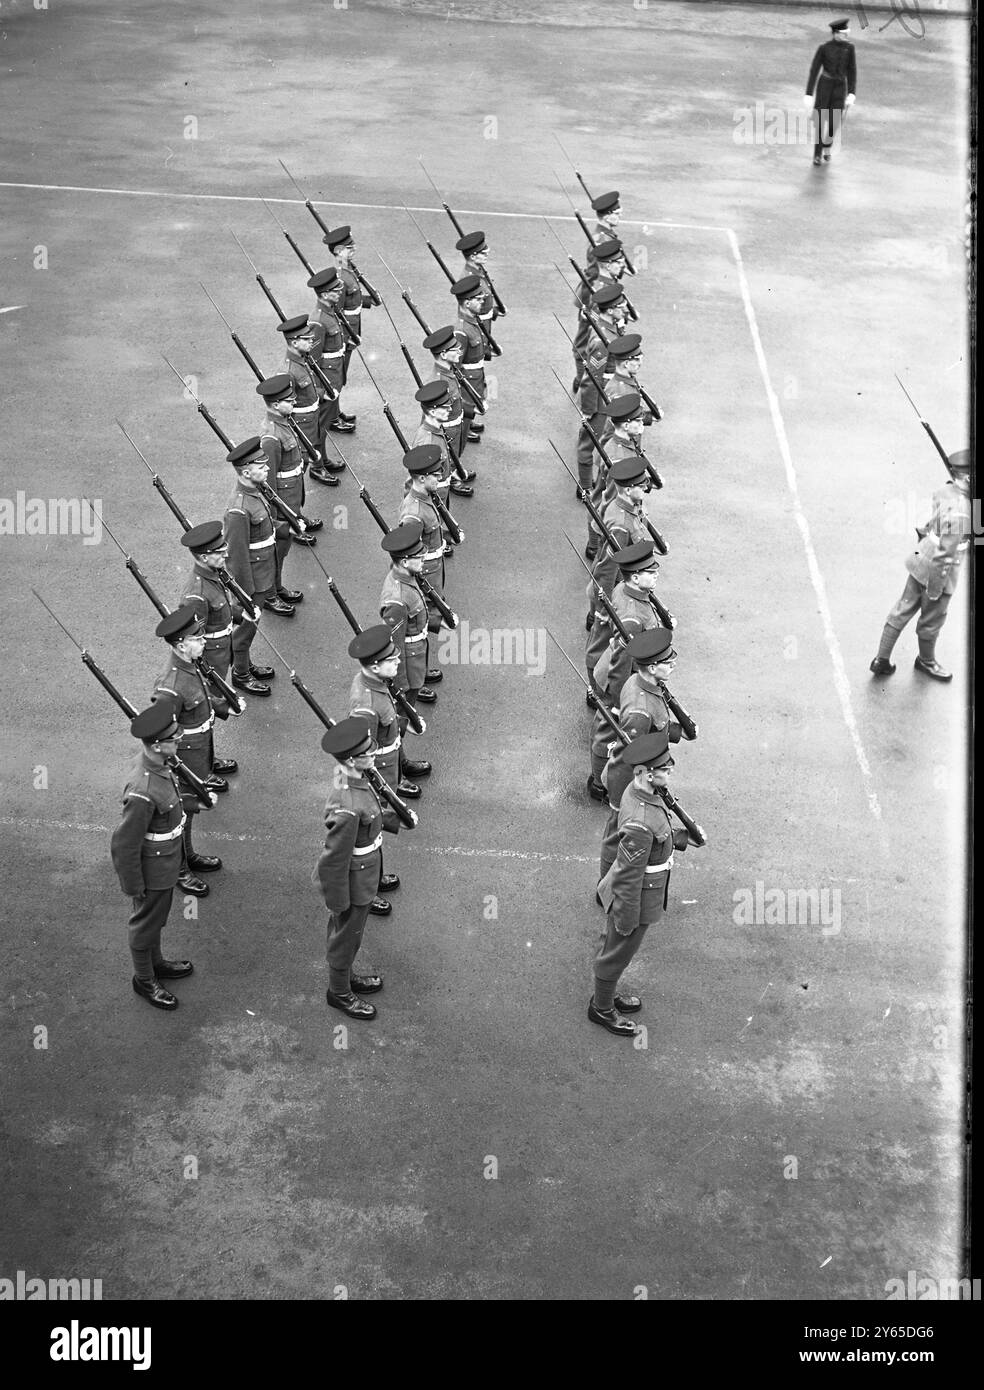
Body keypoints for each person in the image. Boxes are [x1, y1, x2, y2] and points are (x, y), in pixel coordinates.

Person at [590, 730, 693, 1038]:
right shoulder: (639, 821)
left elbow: (657, 838)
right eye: (664, 769)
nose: (669, 770)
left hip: (639, 891)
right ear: (646, 774)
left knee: (617, 948)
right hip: (634, 898)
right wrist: (625, 917)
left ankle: (606, 993)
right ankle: (602, 1008)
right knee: (618, 951)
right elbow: (628, 875)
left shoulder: (644, 794)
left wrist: (680, 838)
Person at [314, 717, 415, 1021]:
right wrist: (338, 900)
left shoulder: (359, 781)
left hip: (366, 871)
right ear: (350, 760)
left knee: (354, 933)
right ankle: (339, 993)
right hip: (354, 880)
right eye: (367, 753)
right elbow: (332, 860)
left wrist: (398, 818)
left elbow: (372, 816)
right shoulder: (346, 804)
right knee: (346, 935)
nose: (374, 755)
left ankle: (346, 978)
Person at [111, 702, 194, 1012]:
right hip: (152, 867)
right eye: (174, 738)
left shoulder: (160, 764)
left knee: (156, 918)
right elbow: (124, 843)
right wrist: (134, 885)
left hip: (166, 860)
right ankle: (144, 978)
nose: (179, 740)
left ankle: (156, 962)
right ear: (157, 745)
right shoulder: (142, 789)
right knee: (144, 923)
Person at [870, 451, 973, 682]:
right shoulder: (961, 512)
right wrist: (936, 589)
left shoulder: (947, 492)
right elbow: (946, 556)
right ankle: (926, 661)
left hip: (921, 557)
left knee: (902, 609)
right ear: (968, 478)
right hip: (939, 571)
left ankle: (881, 659)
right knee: (932, 620)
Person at [150, 602, 226, 898]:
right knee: (180, 814)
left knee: (189, 813)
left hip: (198, 752)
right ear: (181, 645)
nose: (203, 640)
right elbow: (161, 734)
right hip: (181, 759)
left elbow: (203, 697)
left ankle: (189, 854)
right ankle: (180, 869)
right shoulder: (169, 685)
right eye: (197, 638)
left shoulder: (189, 665)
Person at [223, 436, 296, 619]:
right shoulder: (238, 510)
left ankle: (273, 593)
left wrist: (286, 529)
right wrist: (245, 597)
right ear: (247, 473)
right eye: (262, 467)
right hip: (254, 583)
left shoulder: (257, 490)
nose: (268, 469)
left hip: (264, 572)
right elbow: (236, 558)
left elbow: (266, 523)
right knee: (243, 639)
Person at [379, 519, 440, 708]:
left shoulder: (406, 576)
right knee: (404, 715)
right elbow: (394, 646)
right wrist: (402, 686)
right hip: (408, 663)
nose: (423, 559)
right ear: (404, 561)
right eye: (419, 557)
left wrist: (438, 623)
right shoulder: (396, 600)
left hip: (417, 655)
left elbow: (415, 612)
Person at [278, 312, 342, 486]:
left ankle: (321, 462)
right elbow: (284, 405)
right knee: (300, 466)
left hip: (311, 416)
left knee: (315, 446)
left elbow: (309, 385)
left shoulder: (302, 359)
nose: (311, 342)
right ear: (294, 342)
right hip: (301, 422)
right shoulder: (288, 371)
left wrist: (321, 394)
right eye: (306, 339)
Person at [321, 224, 373, 426]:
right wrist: (343, 340)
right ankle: (332, 418)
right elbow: (337, 312)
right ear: (338, 251)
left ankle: (336, 412)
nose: (354, 250)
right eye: (349, 248)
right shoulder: (340, 277)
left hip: (351, 332)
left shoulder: (348, 270)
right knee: (336, 379)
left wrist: (368, 301)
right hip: (343, 335)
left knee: (340, 377)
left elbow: (352, 300)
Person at [307, 266, 354, 436]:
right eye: (336, 290)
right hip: (326, 377)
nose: (340, 292)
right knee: (321, 425)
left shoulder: (330, 311)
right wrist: (320, 390)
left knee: (326, 422)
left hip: (334, 374)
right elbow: (312, 361)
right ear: (325, 294)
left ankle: (323, 459)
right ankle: (319, 463)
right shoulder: (318, 321)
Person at [805, 18, 857, 166]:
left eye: (846, 33)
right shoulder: (824, 48)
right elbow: (814, 70)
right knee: (820, 121)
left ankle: (827, 146)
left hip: (840, 88)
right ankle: (817, 154)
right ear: (835, 34)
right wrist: (809, 93)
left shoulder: (850, 48)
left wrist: (851, 93)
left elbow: (852, 71)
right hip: (824, 86)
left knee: (834, 122)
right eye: (842, 33)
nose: (846, 36)